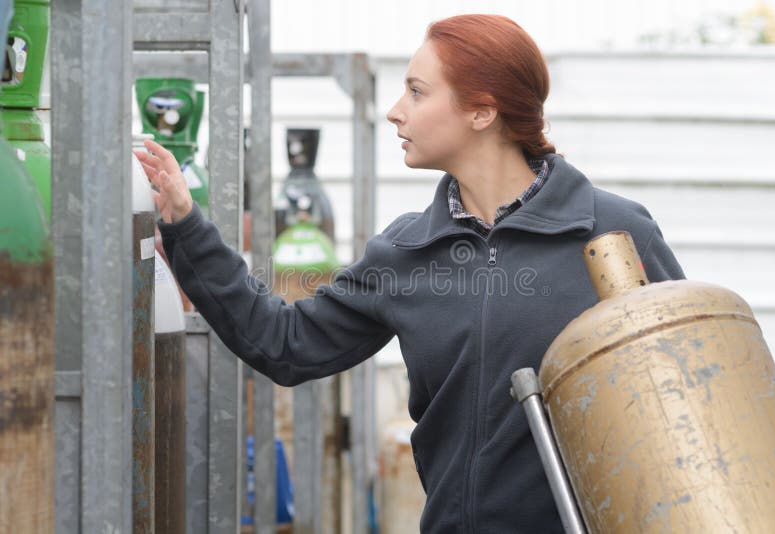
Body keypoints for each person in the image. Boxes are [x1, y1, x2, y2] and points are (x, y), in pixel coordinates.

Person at [136, 14, 684, 533]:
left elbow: (689, 405)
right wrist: (188, 226)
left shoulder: (611, 233)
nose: (397, 111)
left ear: (481, 110)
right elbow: (284, 343)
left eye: (418, 92)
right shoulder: (406, 251)